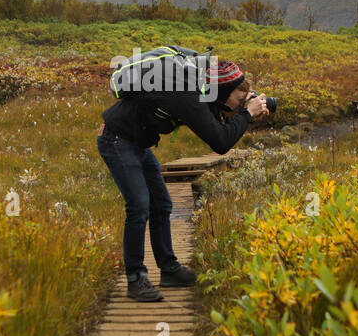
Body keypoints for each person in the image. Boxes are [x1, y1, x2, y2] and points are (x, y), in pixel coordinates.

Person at [96, 58, 269, 301]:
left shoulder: (204, 93)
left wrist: (242, 111)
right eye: (238, 100)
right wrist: (247, 115)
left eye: (243, 101)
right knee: (138, 206)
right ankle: (136, 279)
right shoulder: (190, 97)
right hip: (117, 140)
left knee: (162, 204)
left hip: (137, 143)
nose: (241, 105)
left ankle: (168, 270)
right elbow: (221, 143)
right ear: (222, 93)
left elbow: (218, 126)